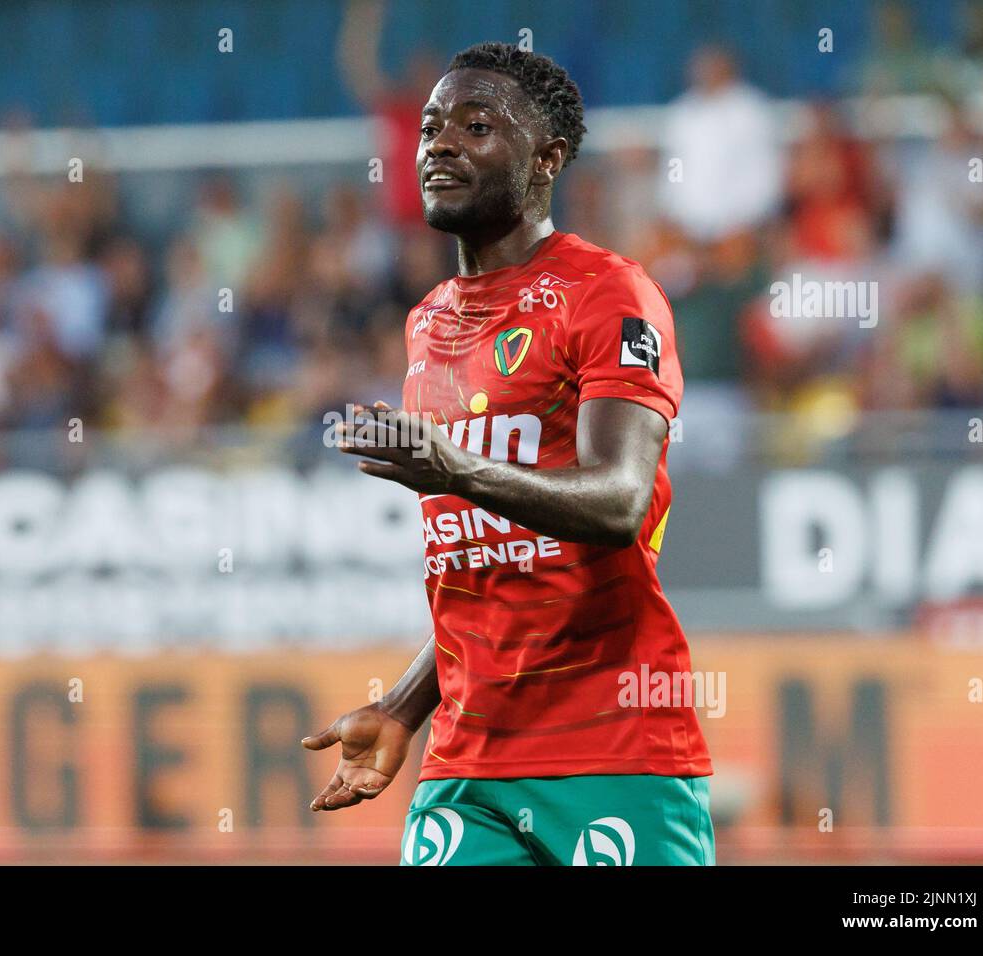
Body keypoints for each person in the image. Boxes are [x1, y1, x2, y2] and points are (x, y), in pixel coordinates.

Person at [303, 42, 713, 866]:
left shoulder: (610, 294)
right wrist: (403, 709)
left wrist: (456, 469)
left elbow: (619, 502)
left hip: (616, 751)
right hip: (468, 763)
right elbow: (484, 565)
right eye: (428, 128)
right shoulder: (427, 322)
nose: (439, 144)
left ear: (546, 159)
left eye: (476, 125)